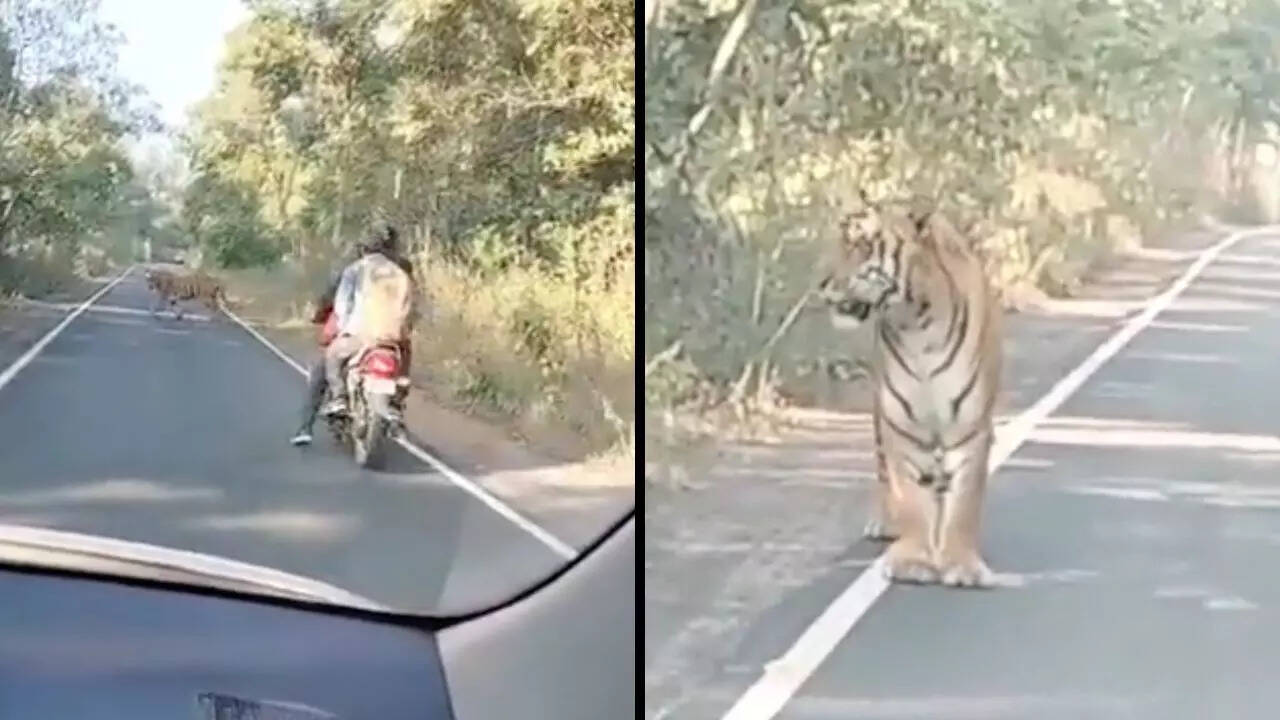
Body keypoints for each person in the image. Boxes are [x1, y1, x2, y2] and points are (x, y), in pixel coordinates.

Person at [290, 221, 416, 446]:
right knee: (403, 366)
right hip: (395, 337)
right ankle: (395, 405)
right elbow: (410, 304)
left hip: (360, 333)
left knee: (326, 364)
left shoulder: (355, 268)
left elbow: (337, 302)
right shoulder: (403, 269)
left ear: (364, 246)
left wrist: (336, 323)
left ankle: (311, 422)